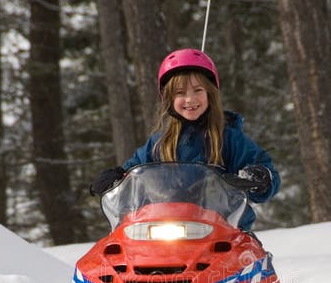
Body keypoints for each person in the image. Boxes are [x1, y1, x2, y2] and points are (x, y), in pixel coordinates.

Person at [90, 48, 280, 230]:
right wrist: (117, 178)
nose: (190, 99)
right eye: (180, 93)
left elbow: (265, 169)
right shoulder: (159, 144)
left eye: (198, 90)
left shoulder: (229, 138)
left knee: (248, 251)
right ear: (169, 99)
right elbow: (134, 170)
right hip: (167, 229)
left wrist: (260, 176)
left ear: (210, 93)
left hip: (225, 230)